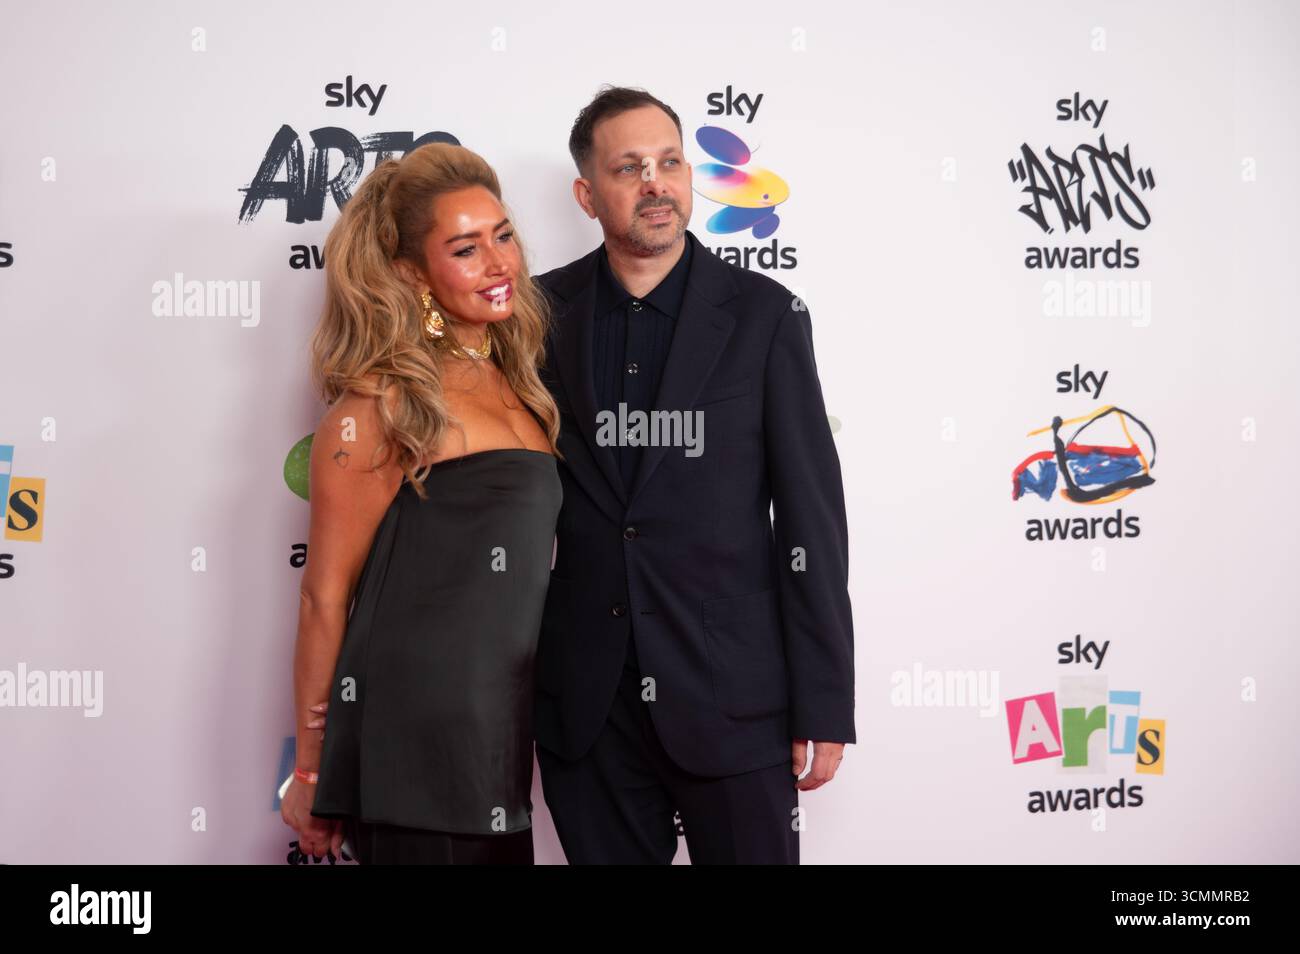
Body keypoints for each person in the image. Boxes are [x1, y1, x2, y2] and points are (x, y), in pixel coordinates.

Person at [532, 86, 855, 864]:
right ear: (587, 193)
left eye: (670, 162)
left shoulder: (765, 314)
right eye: (630, 167)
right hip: (590, 710)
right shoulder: (538, 316)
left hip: (734, 697)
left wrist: (824, 699)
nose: (656, 182)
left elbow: (812, 519)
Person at [279, 142, 562, 865]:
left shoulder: (519, 381)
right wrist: (312, 771)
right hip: (414, 737)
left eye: (503, 236)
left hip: (496, 736)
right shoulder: (381, 404)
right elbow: (325, 595)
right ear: (413, 273)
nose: (500, 264)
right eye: (466, 249)